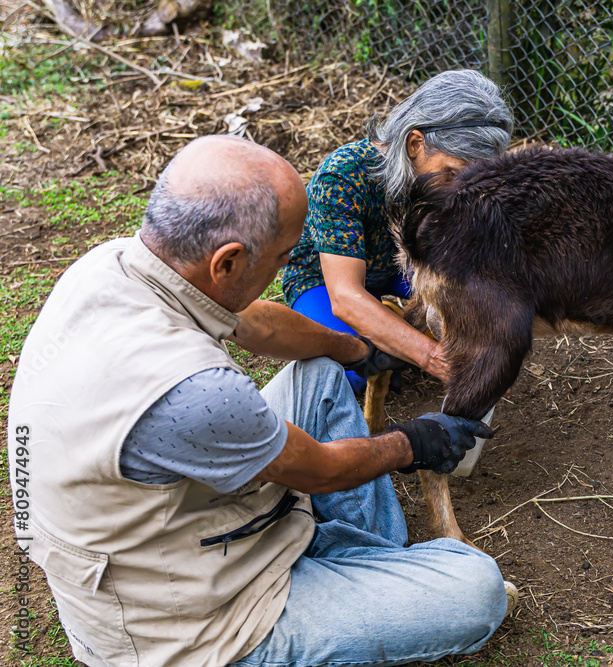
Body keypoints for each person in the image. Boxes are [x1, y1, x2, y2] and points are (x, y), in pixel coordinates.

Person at [8, 135, 512, 667]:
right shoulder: (191, 390)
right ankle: (366, 584)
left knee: (318, 373)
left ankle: (364, 568)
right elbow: (319, 471)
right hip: (191, 626)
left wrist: (358, 349)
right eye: (280, 255)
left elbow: (263, 326)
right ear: (227, 263)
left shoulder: (116, 266)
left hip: (170, 531)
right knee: (476, 588)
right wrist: (415, 442)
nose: (288, 262)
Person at [282, 69, 513, 392]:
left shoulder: (450, 184)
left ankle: (393, 331)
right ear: (415, 143)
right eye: (452, 173)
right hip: (323, 279)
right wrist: (431, 355)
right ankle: (392, 334)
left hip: (398, 271)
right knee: (347, 372)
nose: (460, 191)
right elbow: (345, 296)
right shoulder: (345, 174)